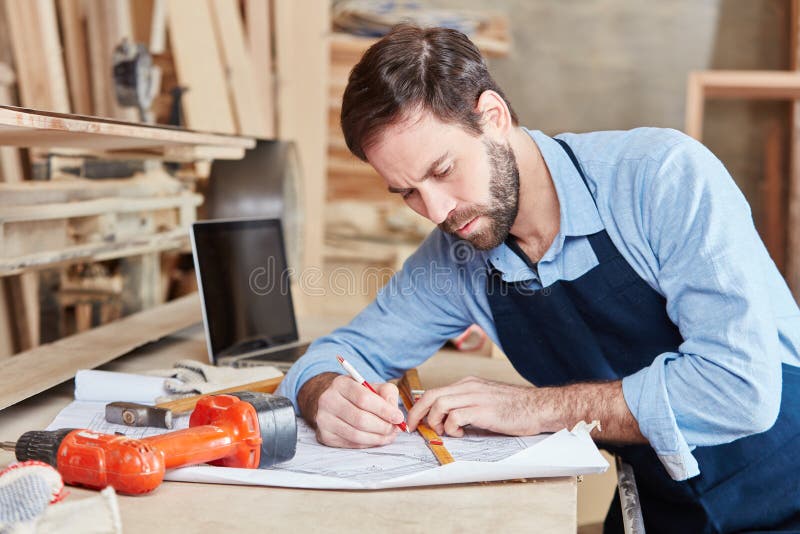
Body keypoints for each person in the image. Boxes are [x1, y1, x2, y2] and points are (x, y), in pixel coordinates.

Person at [276, 24, 800, 532]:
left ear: (493, 116)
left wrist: (532, 409)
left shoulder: (663, 178)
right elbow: (333, 355)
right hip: (659, 504)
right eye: (408, 192)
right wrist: (325, 396)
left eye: (442, 171)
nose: (436, 210)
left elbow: (740, 390)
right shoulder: (455, 257)